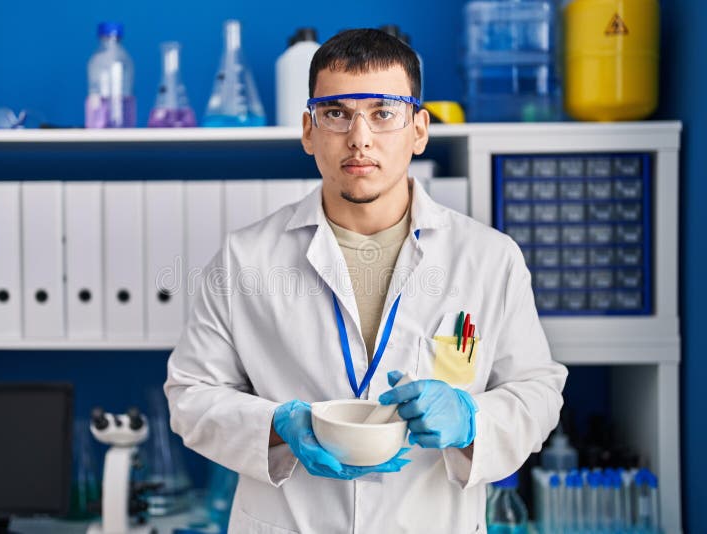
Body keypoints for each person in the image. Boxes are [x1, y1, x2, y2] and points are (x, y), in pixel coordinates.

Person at [164, 28, 567, 533]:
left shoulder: (489, 258)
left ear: (419, 129)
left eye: (383, 112)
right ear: (309, 130)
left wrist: (470, 420)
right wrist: (277, 426)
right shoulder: (245, 258)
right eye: (336, 113)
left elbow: (537, 391)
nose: (359, 137)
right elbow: (190, 394)